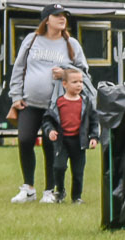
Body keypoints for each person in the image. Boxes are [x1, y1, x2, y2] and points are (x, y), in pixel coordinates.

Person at [9, 4, 89, 202]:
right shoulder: (32, 40)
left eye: (64, 16)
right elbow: (19, 68)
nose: (62, 19)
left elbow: (84, 73)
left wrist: (65, 73)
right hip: (30, 103)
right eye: (57, 15)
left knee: (51, 145)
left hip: (56, 107)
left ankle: (49, 191)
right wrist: (16, 95)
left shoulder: (71, 44)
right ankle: (28, 188)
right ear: (46, 20)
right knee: (25, 140)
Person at [42, 67, 98, 204]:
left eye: (81, 82)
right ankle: (60, 191)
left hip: (79, 142)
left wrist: (94, 137)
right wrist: (50, 131)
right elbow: (47, 120)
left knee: (78, 172)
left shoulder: (86, 102)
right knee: (58, 167)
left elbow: (93, 121)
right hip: (62, 142)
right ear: (64, 84)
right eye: (75, 82)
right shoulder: (58, 102)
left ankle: (76, 197)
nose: (79, 85)